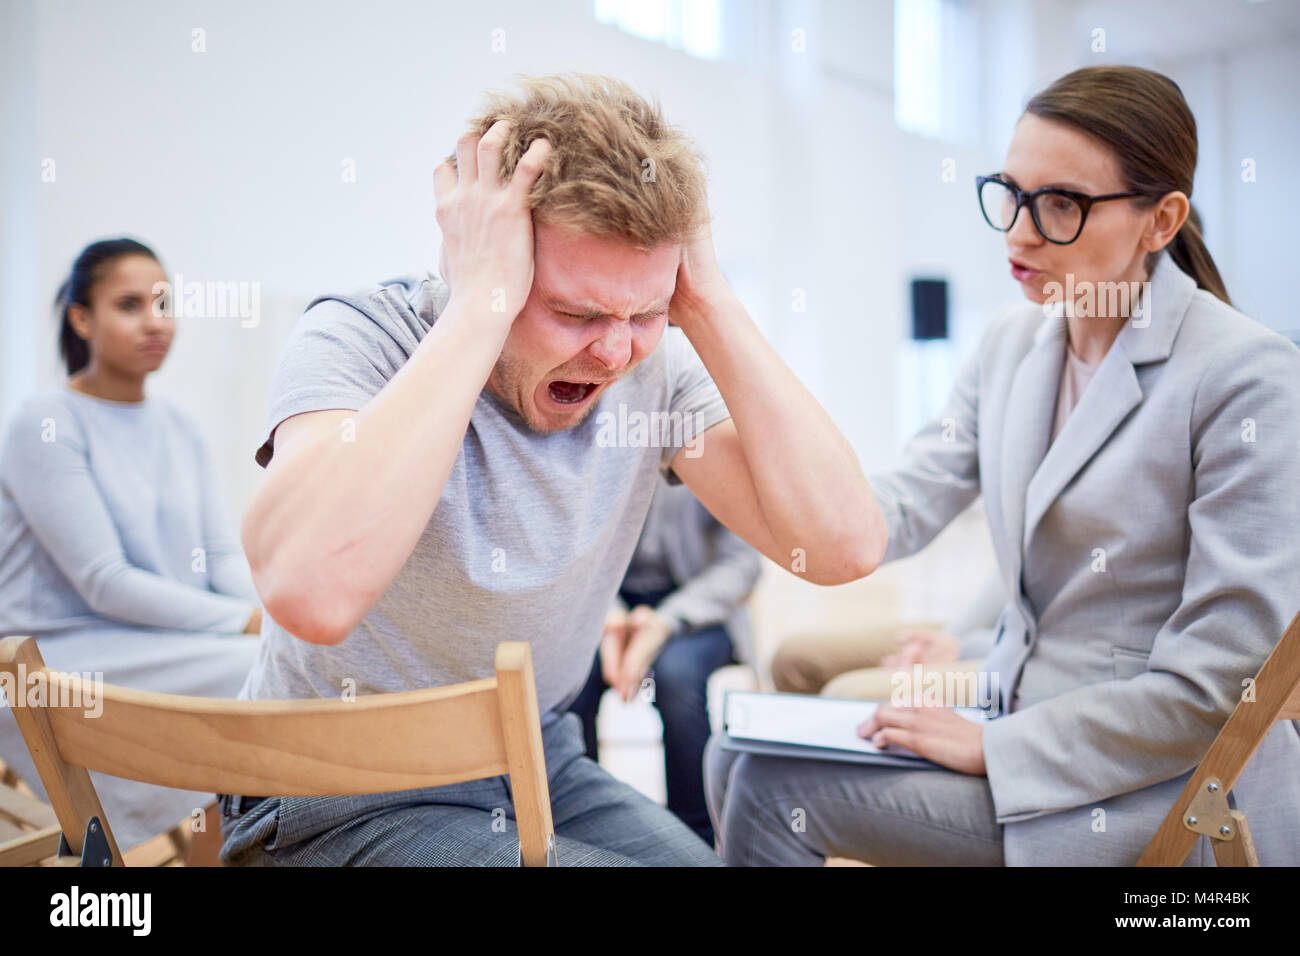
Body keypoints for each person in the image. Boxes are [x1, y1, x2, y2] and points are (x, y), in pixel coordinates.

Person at [217, 73, 887, 867]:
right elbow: (309, 593)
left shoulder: (654, 374)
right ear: (483, 259)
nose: (614, 351)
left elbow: (844, 547)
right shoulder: (362, 336)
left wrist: (707, 299)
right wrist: (478, 305)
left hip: (535, 757)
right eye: (575, 313)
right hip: (334, 791)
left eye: (647, 312)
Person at [705, 65, 1300, 867]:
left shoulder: (1246, 375)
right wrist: (701, 440)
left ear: (1161, 220)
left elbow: (1222, 685)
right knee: (734, 750)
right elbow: (897, 509)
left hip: (1162, 784)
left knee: (772, 789)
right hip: (1018, 713)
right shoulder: (1011, 345)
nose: (1019, 233)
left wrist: (998, 747)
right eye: (1011, 194)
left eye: (1061, 204)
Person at [0, 238, 264, 864]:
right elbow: (104, 581)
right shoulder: (46, 422)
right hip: (57, 650)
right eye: (129, 304)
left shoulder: (179, 426)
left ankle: (216, 853)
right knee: (256, 670)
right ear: (81, 318)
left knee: (282, 655)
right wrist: (246, 623)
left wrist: (275, 614)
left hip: (159, 641)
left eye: (164, 304)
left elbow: (220, 559)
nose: (155, 321)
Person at [569, 479, 760, 846]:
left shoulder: (718, 455)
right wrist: (609, 614)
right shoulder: (593, 460)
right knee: (572, 677)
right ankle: (580, 829)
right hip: (607, 603)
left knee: (677, 678)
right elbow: (573, 553)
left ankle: (697, 836)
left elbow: (742, 564)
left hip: (700, 609)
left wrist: (663, 623)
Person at [769, 571, 1003, 702]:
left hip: (1014, 658)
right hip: (991, 627)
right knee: (796, 658)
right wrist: (946, 640)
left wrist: (963, 650)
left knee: (851, 695)